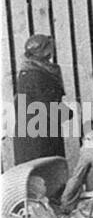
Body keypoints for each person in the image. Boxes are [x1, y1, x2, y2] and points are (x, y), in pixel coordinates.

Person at [13, 34, 65, 164]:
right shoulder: (38, 75)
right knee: (47, 175)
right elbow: (48, 107)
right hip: (40, 138)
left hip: (36, 135)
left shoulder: (28, 72)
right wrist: (70, 113)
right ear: (44, 52)